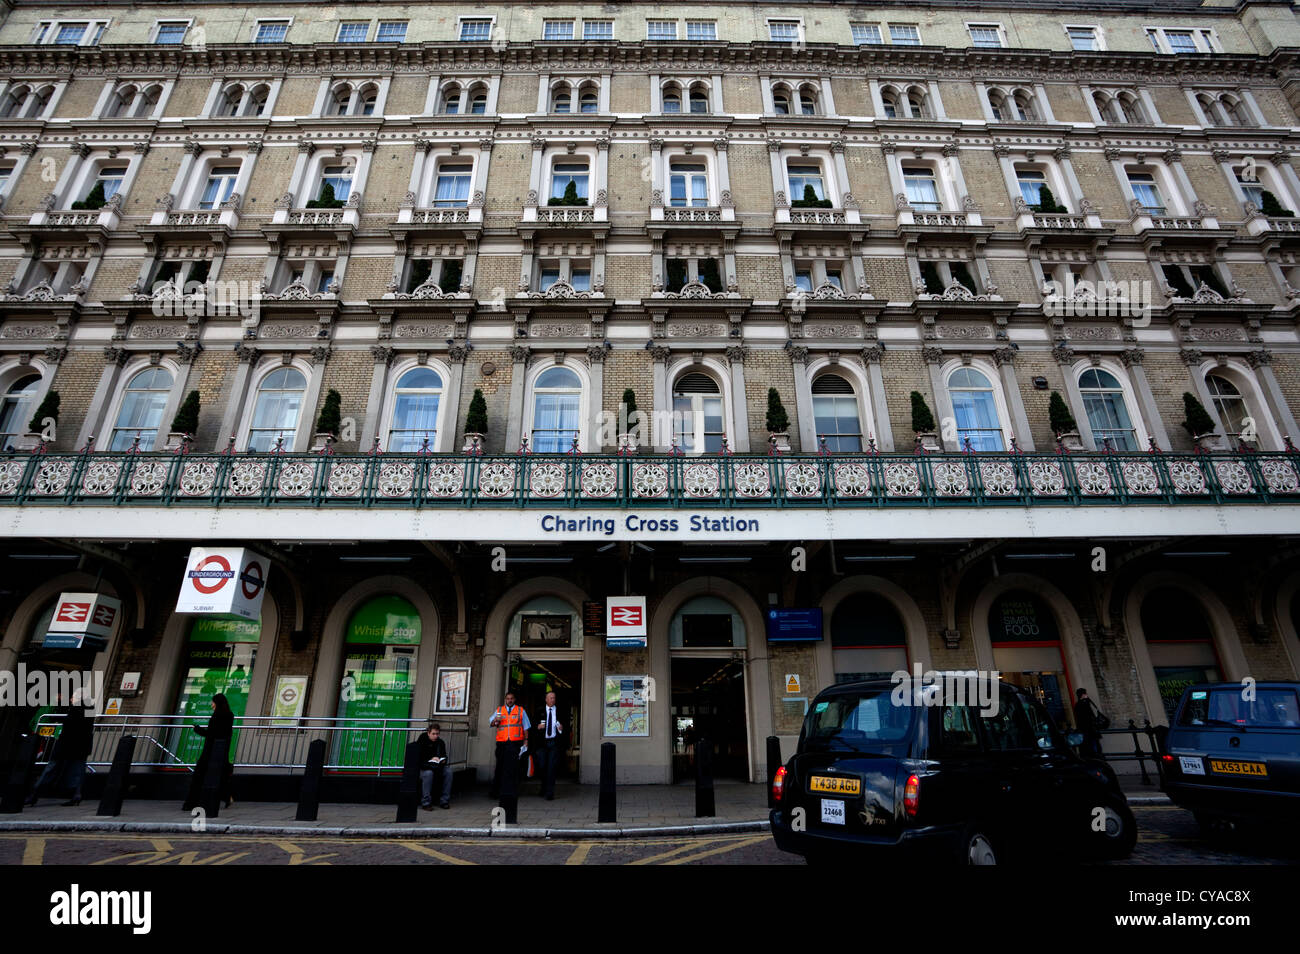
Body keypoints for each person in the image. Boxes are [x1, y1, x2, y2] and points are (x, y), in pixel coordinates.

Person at [26, 688, 95, 807]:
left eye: (73, 696)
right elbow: (85, 723)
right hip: (82, 745)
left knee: (51, 768)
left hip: (68, 743)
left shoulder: (77, 708)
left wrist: (59, 718)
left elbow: (72, 722)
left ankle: (34, 794)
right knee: (77, 770)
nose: (71, 699)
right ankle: (76, 795)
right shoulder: (89, 708)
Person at [182, 693, 235, 811]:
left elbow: (212, 733)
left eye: (213, 702)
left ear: (217, 703)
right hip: (221, 750)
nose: (211, 705)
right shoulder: (229, 715)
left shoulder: (217, 716)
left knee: (199, 776)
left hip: (210, 750)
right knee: (218, 775)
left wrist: (198, 729)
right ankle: (226, 796)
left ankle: (191, 803)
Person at [487, 690, 530, 800]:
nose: (509, 700)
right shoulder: (499, 710)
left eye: (511, 698)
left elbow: (526, 726)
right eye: (508, 699)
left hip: (515, 743)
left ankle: (512, 791)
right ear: (505, 700)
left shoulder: (520, 710)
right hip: (502, 743)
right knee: (500, 768)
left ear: (514, 699)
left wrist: (526, 741)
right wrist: (495, 720)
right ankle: (496, 792)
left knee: (514, 768)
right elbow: (491, 723)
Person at [533, 691, 564, 800]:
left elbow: (565, 726)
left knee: (551, 768)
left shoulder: (560, 711)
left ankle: (549, 793)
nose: (552, 700)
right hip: (542, 743)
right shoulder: (539, 711)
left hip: (554, 743)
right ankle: (543, 787)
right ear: (546, 699)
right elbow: (532, 726)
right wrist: (538, 727)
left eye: (554, 698)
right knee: (542, 766)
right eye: (550, 698)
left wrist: (561, 729)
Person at [417, 722, 453, 810]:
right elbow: (419, 760)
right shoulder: (422, 742)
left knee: (448, 772)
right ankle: (426, 802)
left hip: (437, 767)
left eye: (437, 734)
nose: (435, 736)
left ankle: (444, 801)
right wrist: (431, 760)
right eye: (433, 734)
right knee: (428, 774)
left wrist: (441, 760)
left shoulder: (440, 743)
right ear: (428, 733)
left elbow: (444, 756)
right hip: (424, 768)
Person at [1073, 688, 1105, 758]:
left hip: (1084, 731)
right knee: (1095, 749)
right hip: (1090, 730)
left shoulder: (1077, 705)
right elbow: (1091, 716)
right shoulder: (1085, 704)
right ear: (1083, 695)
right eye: (1085, 694)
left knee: (1088, 750)